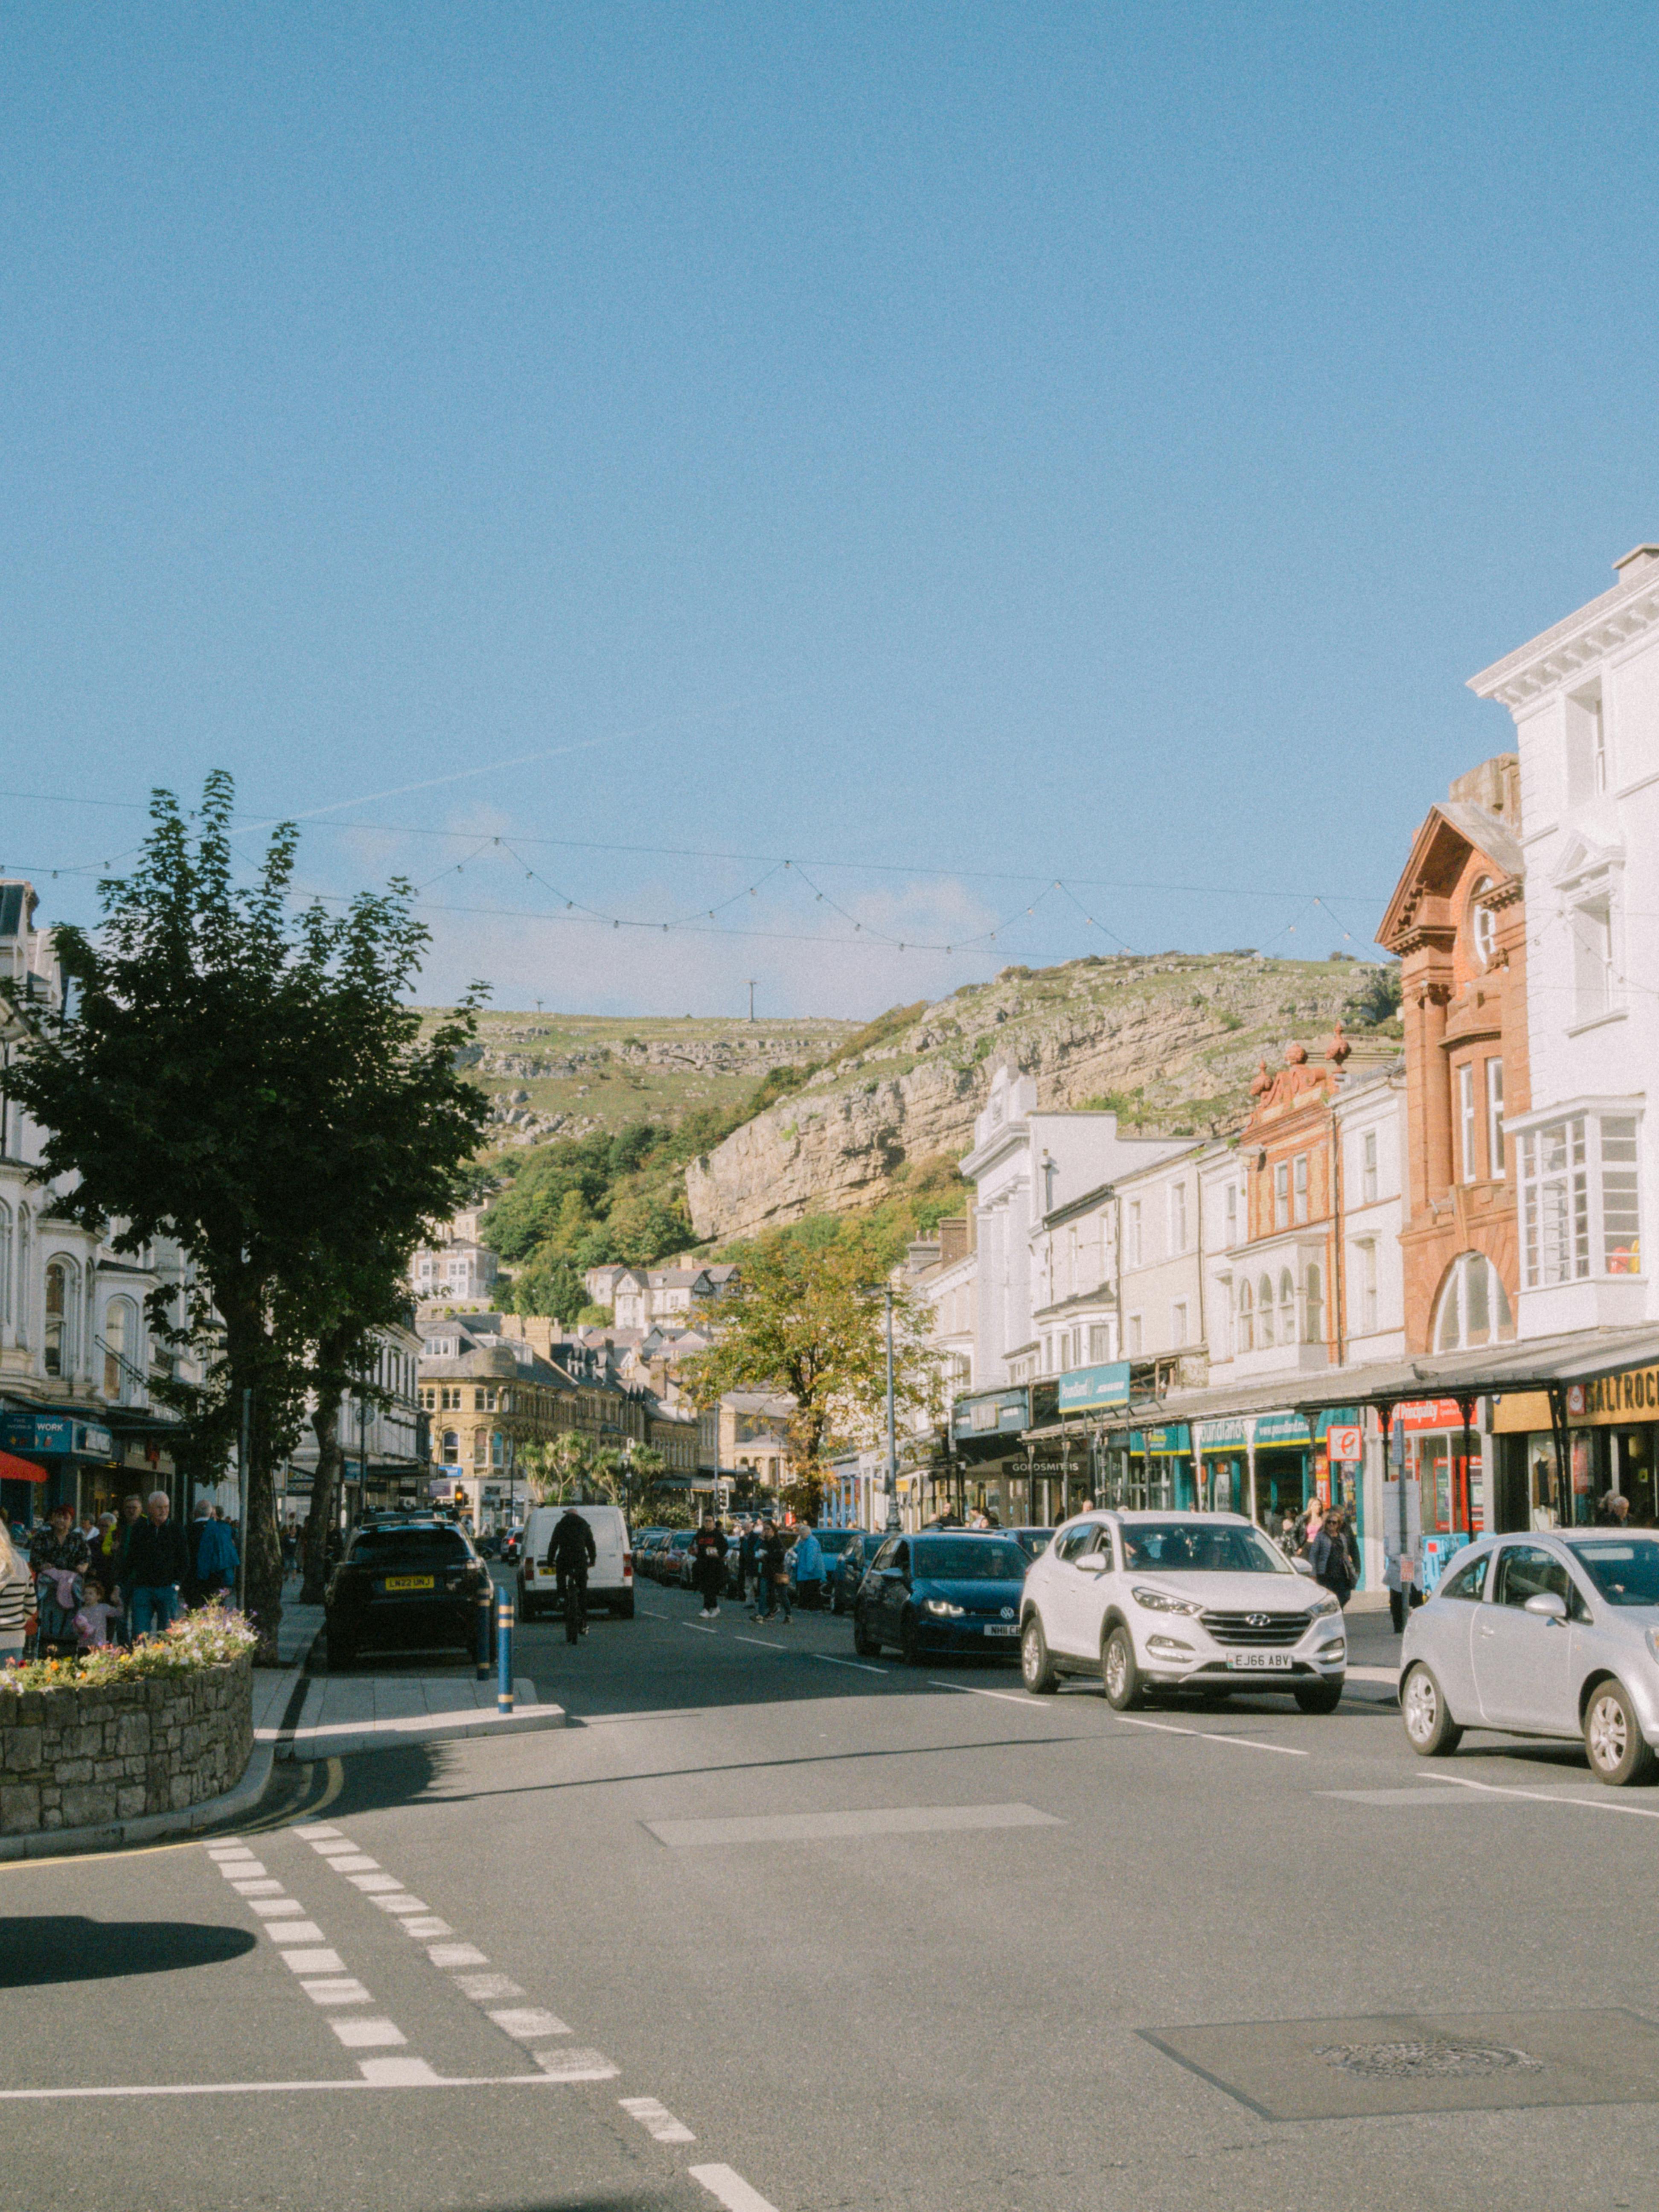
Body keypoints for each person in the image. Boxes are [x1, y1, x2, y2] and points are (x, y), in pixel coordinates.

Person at [123, 1490, 192, 1636]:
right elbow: (131, 1558)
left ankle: (164, 1658)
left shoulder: (176, 1529)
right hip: (143, 1588)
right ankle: (143, 1657)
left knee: (167, 1634)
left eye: (167, 1507)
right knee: (140, 1633)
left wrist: (177, 1583)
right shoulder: (140, 1528)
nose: (164, 1511)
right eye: (160, 1507)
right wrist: (123, 1582)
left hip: (167, 1588)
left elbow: (185, 1560)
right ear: (150, 1509)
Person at [547, 1505, 596, 1630]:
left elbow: (554, 1544)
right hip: (580, 1560)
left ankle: (562, 1597)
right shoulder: (584, 1525)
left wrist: (550, 1560)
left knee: (561, 1578)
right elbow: (591, 1544)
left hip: (565, 1558)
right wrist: (592, 1560)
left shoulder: (561, 1525)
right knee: (582, 1588)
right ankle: (584, 1618)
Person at [1310, 1507, 1357, 1609]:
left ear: (1338, 1525)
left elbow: (1345, 1555)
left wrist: (1353, 1570)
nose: (1331, 1525)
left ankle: (1337, 1610)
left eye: (1334, 1523)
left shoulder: (1342, 1537)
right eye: (1329, 1522)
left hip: (1341, 1572)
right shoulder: (1321, 1536)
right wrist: (1313, 1573)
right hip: (1326, 1572)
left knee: (1345, 1596)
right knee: (1329, 1597)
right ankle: (1334, 1614)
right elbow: (1313, 1555)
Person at [0, 1522, 32, 1668]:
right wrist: (15, 1621)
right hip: (13, 1639)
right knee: (10, 1689)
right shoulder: (22, 1564)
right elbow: (31, 1607)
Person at [194, 1504, 239, 1602]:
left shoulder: (212, 1528)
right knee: (218, 1604)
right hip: (224, 1575)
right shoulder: (227, 1528)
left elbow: (206, 1552)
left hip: (213, 1574)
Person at [690, 1513, 728, 1619]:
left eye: (710, 1521)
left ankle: (706, 1609)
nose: (707, 1523)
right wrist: (693, 1551)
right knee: (705, 1587)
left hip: (714, 1565)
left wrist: (718, 1554)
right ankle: (715, 1607)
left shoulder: (718, 1535)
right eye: (706, 1521)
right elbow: (693, 1546)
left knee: (710, 1587)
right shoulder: (700, 1534)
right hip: (702, 1564)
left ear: (713, 1523)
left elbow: (725, 1548)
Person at [73, 1573, 123, 1650]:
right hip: (84, 1645)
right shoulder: (81, 1611)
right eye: (85, 1594)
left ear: (98, 1596)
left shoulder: (103, 1608)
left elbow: (119, 1613)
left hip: (99, 1645)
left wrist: (118, 1602)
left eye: (91, 1594)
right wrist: (80, 1629)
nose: (87, 1596)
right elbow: (75, 1627)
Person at [757, 1517, 792, 1624]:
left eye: (768, 1529)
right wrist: (760, 1540)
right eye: (764, 1529)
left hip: (777, 1572)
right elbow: (756, 1550)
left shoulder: (777, 1542)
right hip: (766, 1571)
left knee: (782, 1595)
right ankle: (761, 1615)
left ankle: (788, 1615)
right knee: (764, 1593)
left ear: (773, 1530)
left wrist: (767, 1556)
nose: (766, 1532)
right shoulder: (764, 1541)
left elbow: (780, 1556)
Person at [791, 1522, 826, 1611]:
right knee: (810, 1590)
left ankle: (813, 1607)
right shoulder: (806, 1541)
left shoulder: (811, 1542)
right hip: (806, 1572)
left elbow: (811, 1557)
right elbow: (799, 1550)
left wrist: (810, 1569)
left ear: (805, 1533)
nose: (800, 1535)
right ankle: (810, 1606)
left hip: (810, 1572)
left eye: (801, 1534)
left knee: (811, 1590)